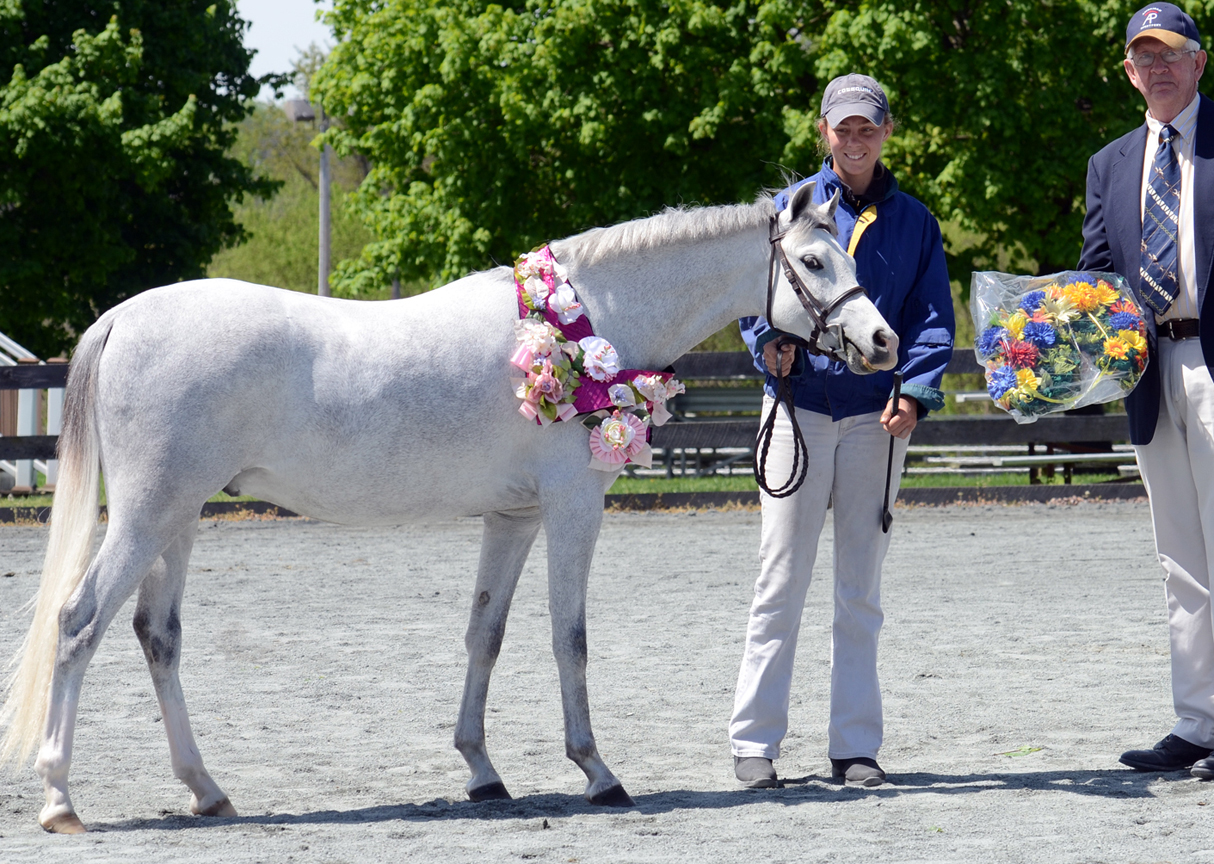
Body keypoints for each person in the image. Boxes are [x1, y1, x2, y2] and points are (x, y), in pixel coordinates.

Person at [730, 74, 955, 789]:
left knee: (860, 588)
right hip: (796, 408)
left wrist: (915, 393)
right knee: (780, 578)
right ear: (822, 132)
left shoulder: (916, 222)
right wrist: (765, 342)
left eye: (868, 127)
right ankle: (754, 743)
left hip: (874, 418)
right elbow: (751, 295)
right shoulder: (787, 209)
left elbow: (931, 318)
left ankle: (855, 747)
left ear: (886, 133)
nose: (855, 140)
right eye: (843, 127)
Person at [1079, 3, 1214, 779]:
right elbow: (1097, 274)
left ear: (1200, 62)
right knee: (1181, 558)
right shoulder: (1110, 162)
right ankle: (1199, 723)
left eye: (1171, 53)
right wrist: (1052, 347)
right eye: (1144, 57)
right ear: (1129, 73)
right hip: (1149, 372)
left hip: (1213, 365)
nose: (1158, 68)